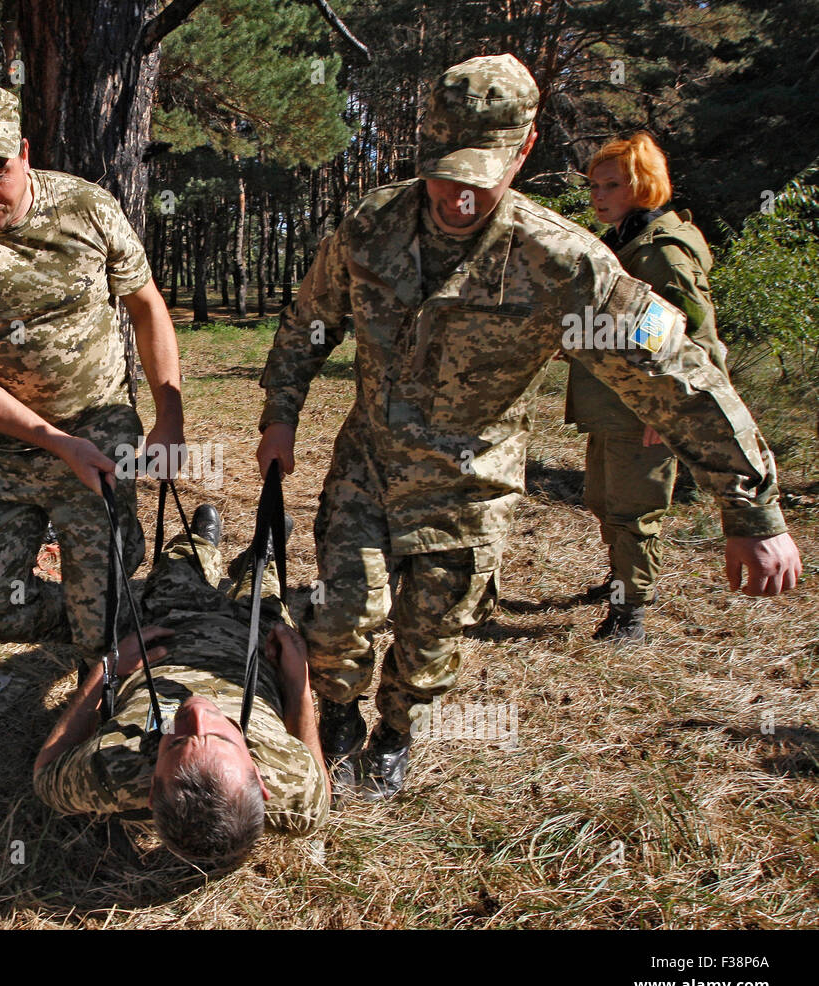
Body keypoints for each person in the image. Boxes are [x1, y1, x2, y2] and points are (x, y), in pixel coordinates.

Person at [254, 55, 802, 801]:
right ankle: (340, 715)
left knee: (430, 638)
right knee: (342, 617)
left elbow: (676, 372)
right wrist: (281, 413)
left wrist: (750, 507)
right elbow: (309, 326)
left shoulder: (561, 266)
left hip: (470, 487)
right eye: (446, 172)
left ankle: (395, 735)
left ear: (526, 148)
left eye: (483, 174)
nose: (459, 197)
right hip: (369, 470)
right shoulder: (371, 228)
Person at [0, 85, 185, 664]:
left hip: (100, 430)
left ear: (25, 154)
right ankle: (98, 618)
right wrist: (55, 443)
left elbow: (146, 306)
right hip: (6, 448)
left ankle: (102, 645)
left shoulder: (86, 208)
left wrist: (169, 417)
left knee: (100, 624)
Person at [33, 506, 330, 872]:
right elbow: (318, 785)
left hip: (174, 625)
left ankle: (200, 541)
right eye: (222, 739)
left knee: (175, 567)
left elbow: (45, 773)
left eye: (174, 740)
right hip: (255, 642)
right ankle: (258, 558)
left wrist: (106, 669)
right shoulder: (293, 791)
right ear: (260, 782)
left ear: (153, 788)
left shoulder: (116, 772)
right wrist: (298, 684)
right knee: (263, 589)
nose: (197, 711)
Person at [565, 132, 728, 643]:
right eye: (593, 185)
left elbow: (698, 340)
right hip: (615, 401)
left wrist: (671, 413)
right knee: (602, 498)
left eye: (610, 185)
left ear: (642, 186)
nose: (597, 196)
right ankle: (621, 581)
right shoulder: (623, 241)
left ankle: (630, 611)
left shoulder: (662, 254)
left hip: (647, 406)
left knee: (635, 508)